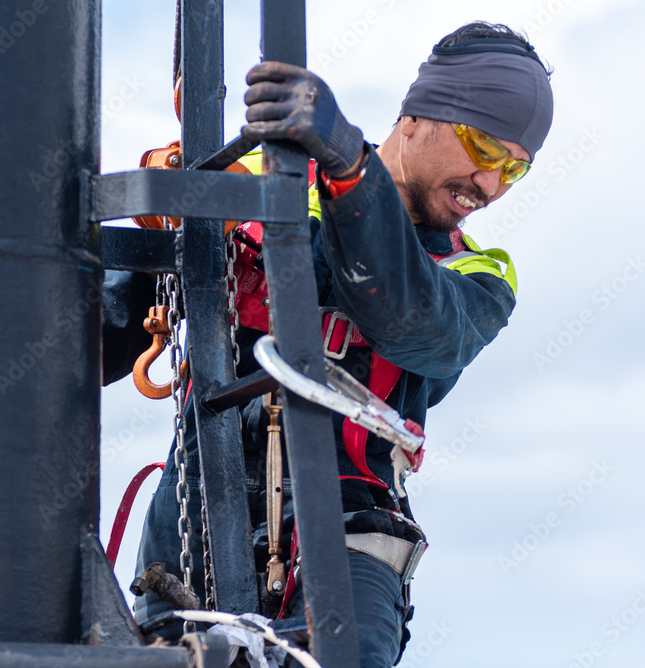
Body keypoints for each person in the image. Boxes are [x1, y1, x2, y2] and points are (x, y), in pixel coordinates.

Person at [103, 21, 553, 667]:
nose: (491, 182)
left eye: (516, 166)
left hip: (347, 534)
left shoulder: (476, 274)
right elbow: (97, 345)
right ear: (419, 116)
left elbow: (414, 324)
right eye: (483, 146)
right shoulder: (255, 185)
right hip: (190, 523)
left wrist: (349, 168)